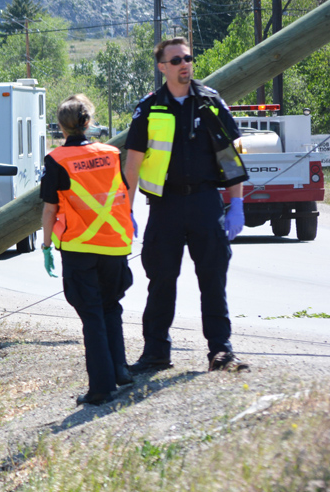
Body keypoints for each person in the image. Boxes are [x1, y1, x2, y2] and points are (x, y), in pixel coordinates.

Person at [124, 37, 250, 374]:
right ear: (162, 67)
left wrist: (237, 204)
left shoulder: (210, 102)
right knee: (161, 280)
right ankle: (155, 353)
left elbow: (230, 158)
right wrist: (126, 210)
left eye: (188, 58)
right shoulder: (150, 107)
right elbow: (132, 163)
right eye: (176, 60)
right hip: (165, 206)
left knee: (213, 279)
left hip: (206, 202)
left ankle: (221, 352)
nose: (184, 65)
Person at [41, 94, 135, 406]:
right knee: (111, 306)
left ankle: (101, 387)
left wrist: (46, 245)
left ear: (60, 126)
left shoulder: (56, 160)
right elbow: (122, 192)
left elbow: (50, 209)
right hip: (115, 242)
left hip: (79, 247)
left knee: (92, 314)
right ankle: (120, 369)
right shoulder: (111, 153)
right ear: (89, 122)